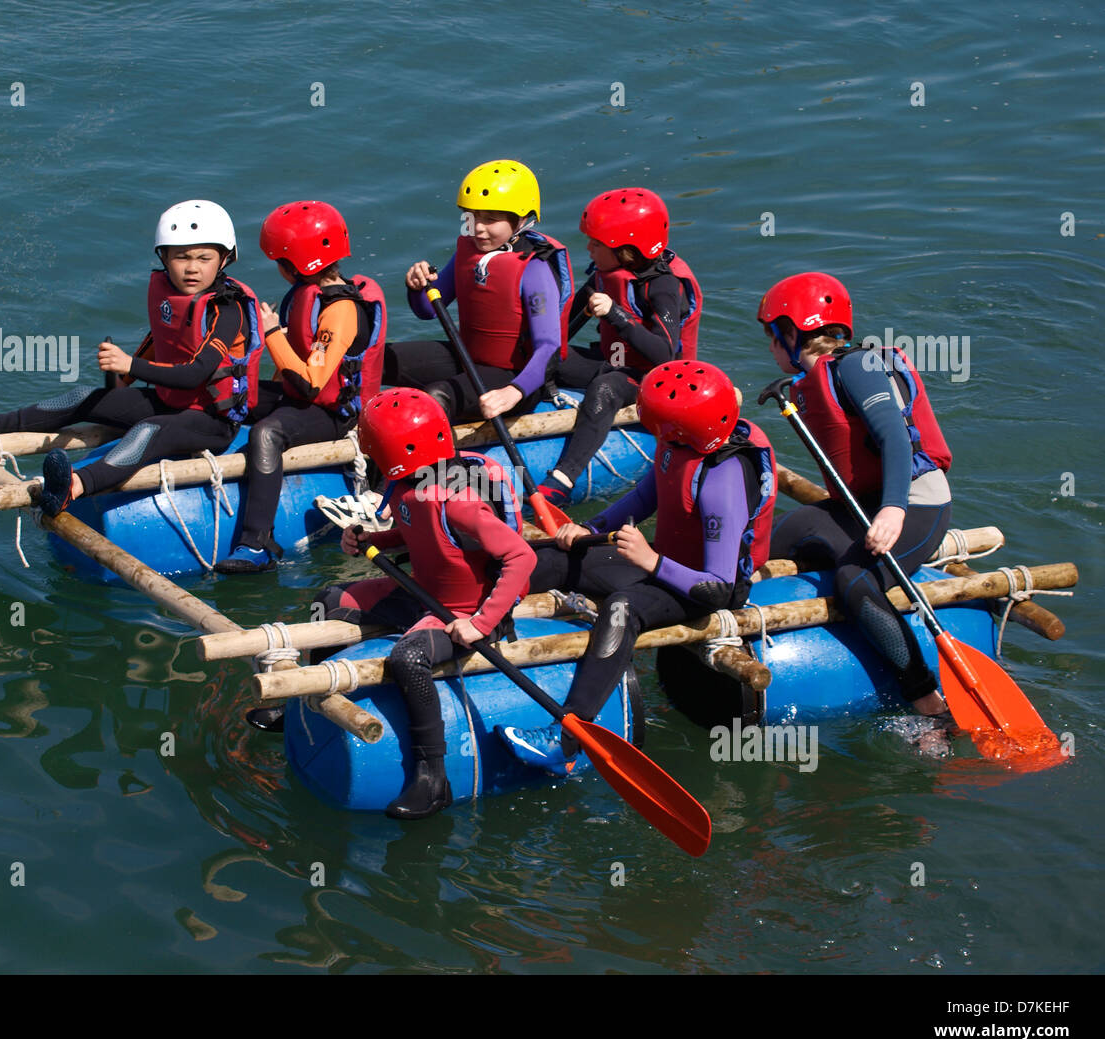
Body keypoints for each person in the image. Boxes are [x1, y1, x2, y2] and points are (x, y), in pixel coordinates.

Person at [500, 361, 776, 772]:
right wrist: (588, 530)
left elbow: (718, 588)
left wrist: (651, 560)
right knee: (553, 559)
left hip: (697, 588)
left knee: (622, 608)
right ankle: (477, 616)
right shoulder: (682, 445)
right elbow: (644, 498)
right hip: (662, 564)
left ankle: (568, 739)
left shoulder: (724, 479)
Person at [0, 200, 262, 518]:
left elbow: (198, 373)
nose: (192, 268)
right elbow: (160, 343)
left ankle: (73, 487)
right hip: (172, 400)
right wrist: (122, 381)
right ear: (164, 257)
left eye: (204, 258)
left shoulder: (227, 310)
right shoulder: (173, 294)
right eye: (181, 257)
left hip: (212, 421)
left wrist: (130, 366)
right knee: (86, 397)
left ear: (224, 259)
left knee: (148, 430)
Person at [304, 388, 535, 818]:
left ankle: (433, 778)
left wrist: (482, 624)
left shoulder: (460, 501)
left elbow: (522, 557)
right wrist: (371, 539)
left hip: (467, 612)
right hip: (423, 594)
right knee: (330, 600)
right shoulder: (407, 483)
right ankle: (310, 704)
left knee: (408, 658)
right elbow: (414, 531)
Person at [756, 271, 954, 748]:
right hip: (859, 503)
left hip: (915, 502)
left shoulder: (859, 366)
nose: (770, 348)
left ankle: (931, 706)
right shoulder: (816, 376)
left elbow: (892, 437)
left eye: (772, 337)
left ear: (794, 331)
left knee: (854, 578)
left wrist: (892, 511)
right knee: (783, 534)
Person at [214, 201, 387, 574]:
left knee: (267, 433)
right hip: (301, 395)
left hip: (332, 414)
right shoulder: (310, 293)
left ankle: (257, 543)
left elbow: (311, 384)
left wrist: (272, 331)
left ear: (295, 264)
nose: (276, 267)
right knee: (228, 394)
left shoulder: (339, 310)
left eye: (279, 259)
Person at [536, 187, 703, 506]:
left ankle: (564, 477)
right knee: (547, 357)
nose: (587, 248)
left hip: (655, 379)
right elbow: (563, 331)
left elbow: (663, 355)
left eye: (596, 244)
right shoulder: (607, 273)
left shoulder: (665, 287)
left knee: (604, 389)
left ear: (627, 250)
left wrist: (616, 314)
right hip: (613, 359)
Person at [384, 159, 573, 423]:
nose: (478, 228)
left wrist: (513, 392)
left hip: (515, 378)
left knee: (437, 396)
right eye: (472, 218)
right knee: (381, 359)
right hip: (467, 355)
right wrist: (417, 288)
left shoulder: (535, 269)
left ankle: (440, 462)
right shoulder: (469, 251)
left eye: (490, 220)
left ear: (520, 220)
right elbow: (427, 311)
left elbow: (549, 348)